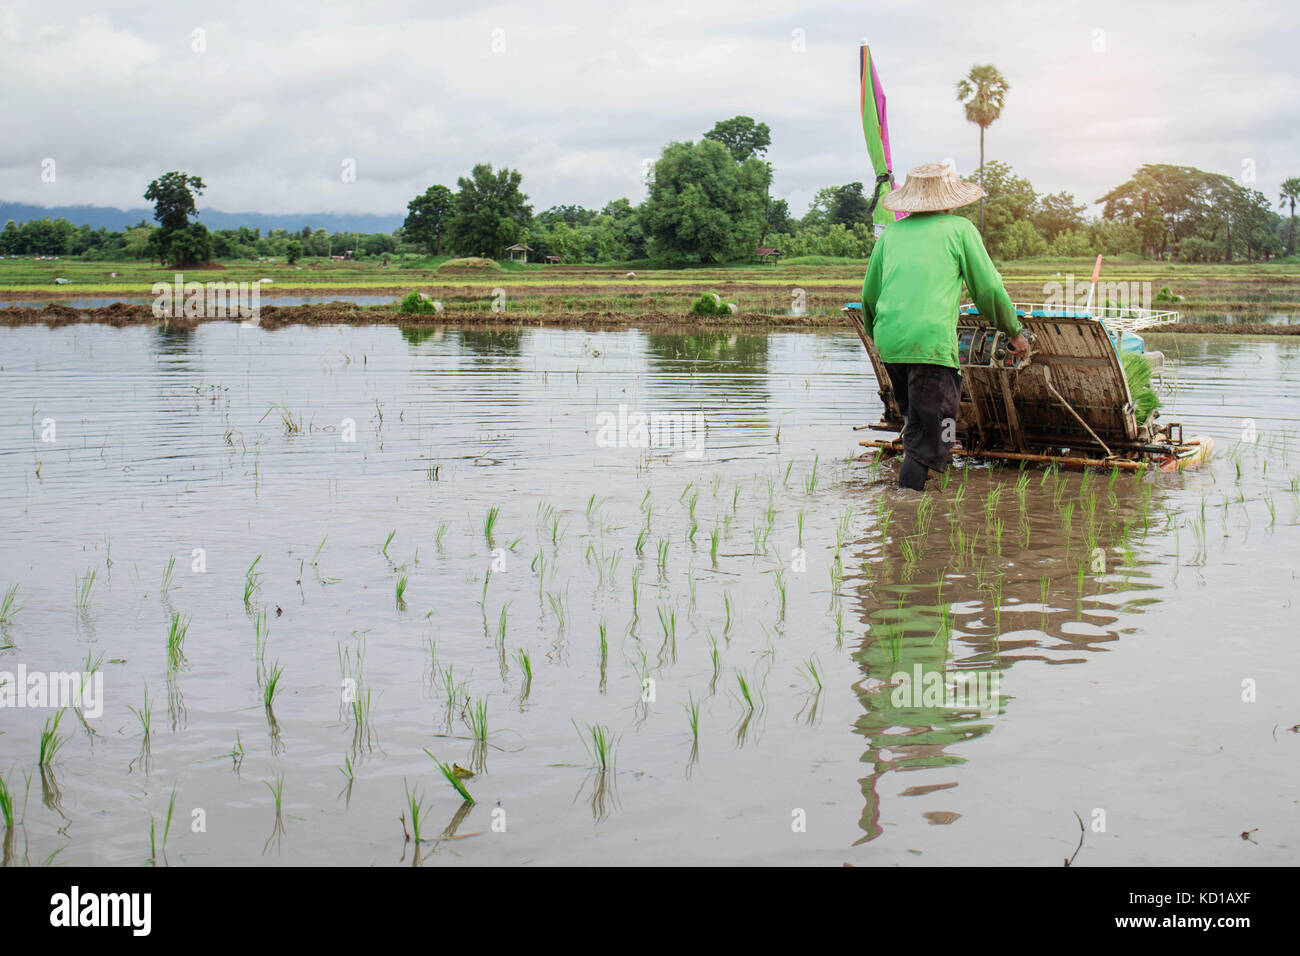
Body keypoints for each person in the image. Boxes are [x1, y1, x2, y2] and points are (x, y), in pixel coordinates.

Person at [859, 162, 1030, 491]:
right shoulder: (959, 229)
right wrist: (1014, 332)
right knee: (932, 431)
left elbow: (869, 295)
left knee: (921, 420)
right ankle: (907, 504)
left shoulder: (891, 234)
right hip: (931, 345)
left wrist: (879, 335)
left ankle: (939, 481)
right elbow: (988, 290)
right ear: (950, 200)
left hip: (892, 343)